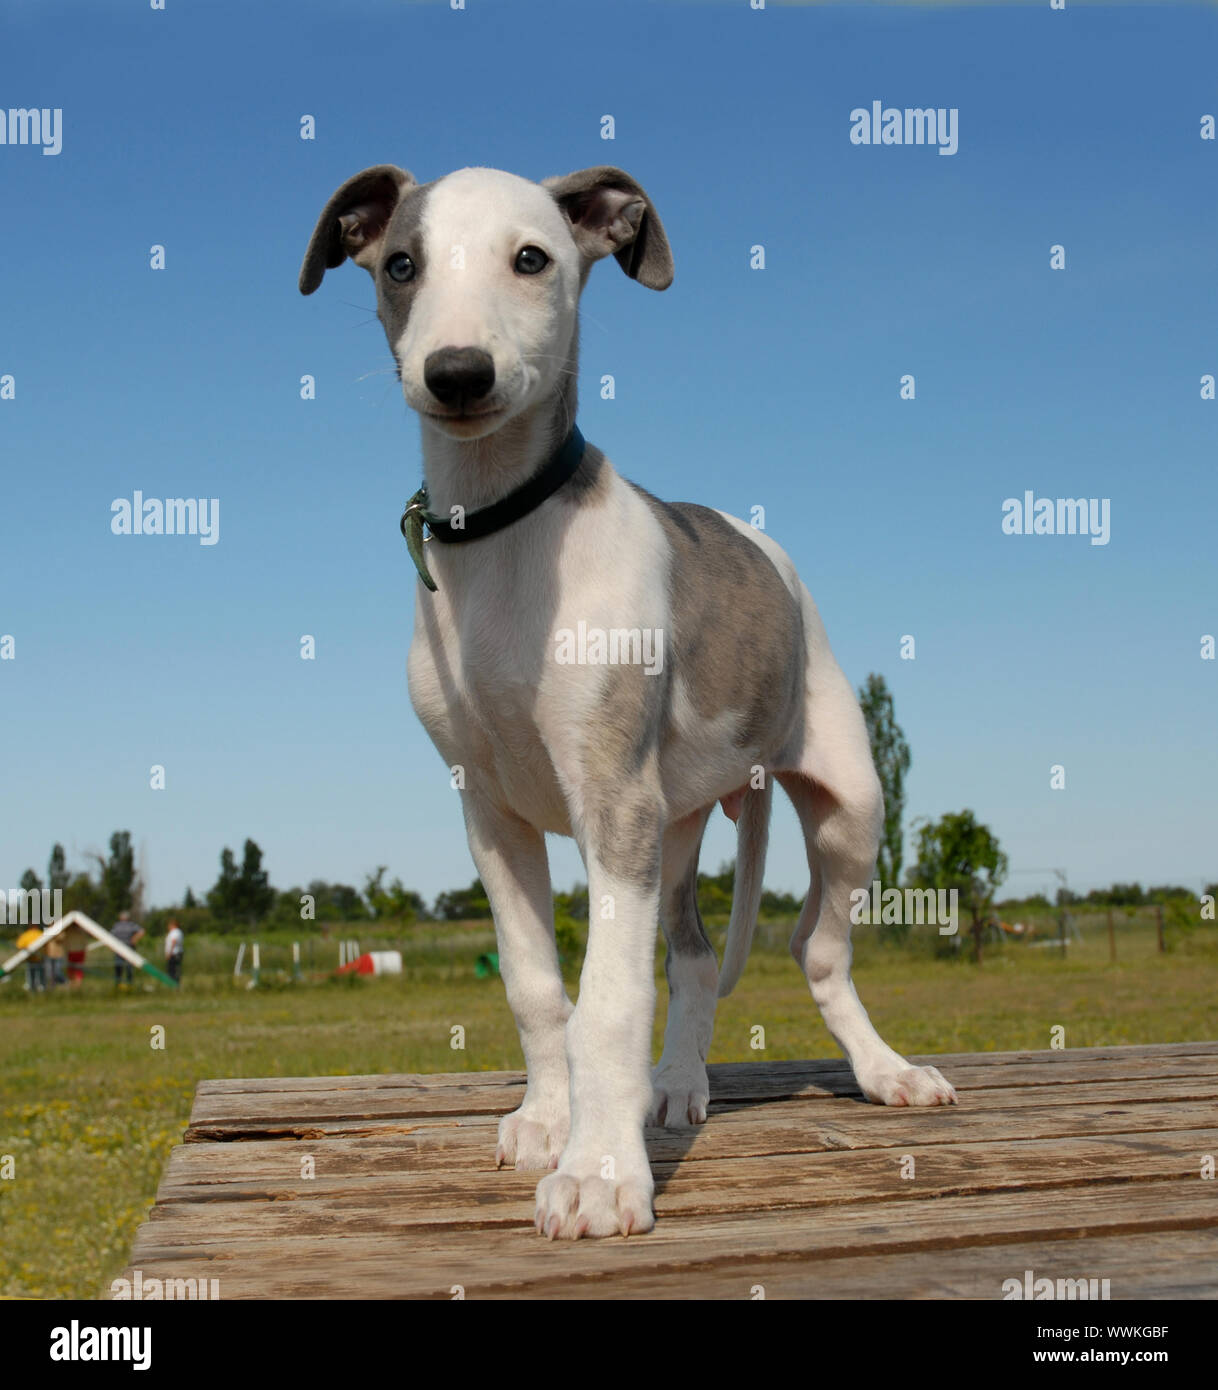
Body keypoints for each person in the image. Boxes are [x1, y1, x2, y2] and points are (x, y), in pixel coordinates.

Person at [110, 910, 145, 985]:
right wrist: (135, 938)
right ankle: (120, 983)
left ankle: (126, 984)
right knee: (121, 967)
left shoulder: (127, 925)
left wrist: (134, 939)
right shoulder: (118, 925)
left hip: (128, 949)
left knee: (127, 968)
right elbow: (142, 931)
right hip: (120, 950)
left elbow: (142, 931)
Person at [16, 926, 45, 992]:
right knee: (39, 974)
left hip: (31, 959)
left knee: (31, 974)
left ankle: (32, 987)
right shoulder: (40, 933)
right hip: (38, 958)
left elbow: (19, 945)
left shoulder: (25, 935)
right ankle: (39, 987)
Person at [164, 919, 184, 983]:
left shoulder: (175, 932)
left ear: (173, 925)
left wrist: (169, 953)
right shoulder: (178, 932)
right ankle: (174, 983)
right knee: (175, 969)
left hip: (174, 953)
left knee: (172, 969)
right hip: (176, 953)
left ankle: (173, 983)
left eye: (169, 925)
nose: (168, 927)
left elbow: (173, 942)